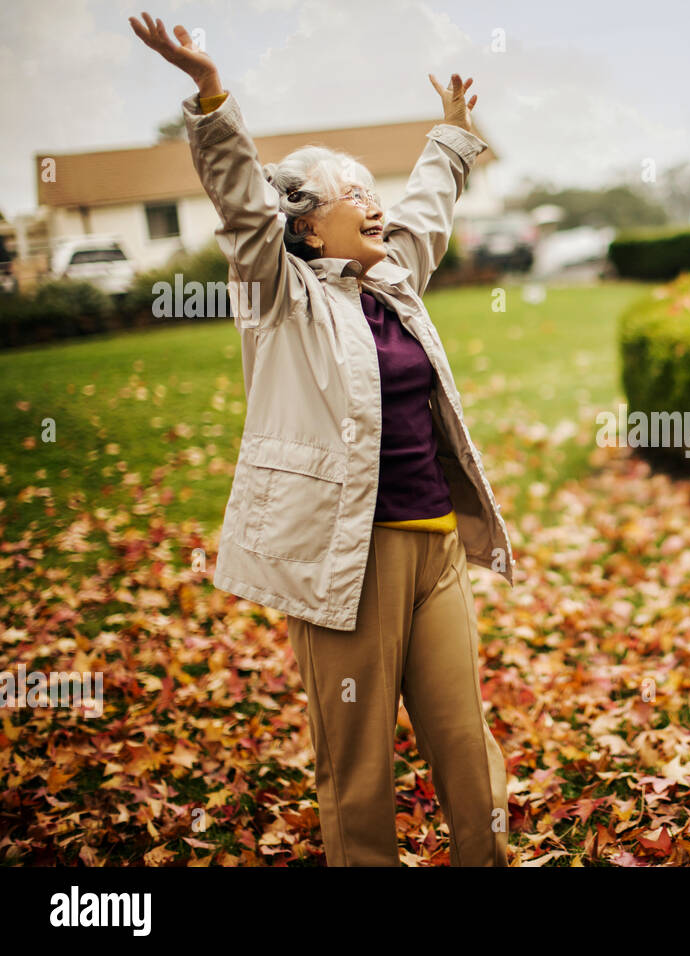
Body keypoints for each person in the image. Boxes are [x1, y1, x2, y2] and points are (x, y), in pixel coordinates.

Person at [129, 12, 515, 867]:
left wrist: (451, 138)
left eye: (371, 193)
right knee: (359, 772)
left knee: (467, 747)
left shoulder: (393, 281)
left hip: (434, 549)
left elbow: (423, 211)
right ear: (307, 227)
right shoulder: (279, 296)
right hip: (347, 563)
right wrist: (210, 95)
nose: (374, 207)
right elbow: (239, 204)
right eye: (354, 198)